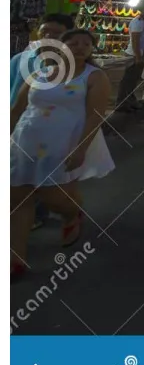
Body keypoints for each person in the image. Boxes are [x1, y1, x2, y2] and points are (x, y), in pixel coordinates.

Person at [11, 29, 115, 278]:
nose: (80, 47)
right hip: (24, 141)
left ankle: (71, 213)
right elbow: (18, 108)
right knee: (16, 200)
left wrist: (81, 148)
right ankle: (15, 260)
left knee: (50, 194)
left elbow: (95, 115)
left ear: (92, 49)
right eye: (74, 42)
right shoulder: (40, 73)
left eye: (86, 44)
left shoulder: (94, 77)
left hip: (61, 144)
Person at [10, 14, 73, 231]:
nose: (49, 36)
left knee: (41, 174)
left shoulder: (71, 66)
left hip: (50, 131)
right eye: (45, 31)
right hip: (20, 124)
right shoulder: (20, 59)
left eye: (56, 33)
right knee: (18, 172)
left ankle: (46, 212)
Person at [117, 0, 144, 112]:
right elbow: (135, 41)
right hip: (134, 54)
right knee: (128, 79)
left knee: (134, 80)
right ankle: (122, 103)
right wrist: (138, 57)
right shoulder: (137, 21)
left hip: (142, 54)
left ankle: (130, 100)